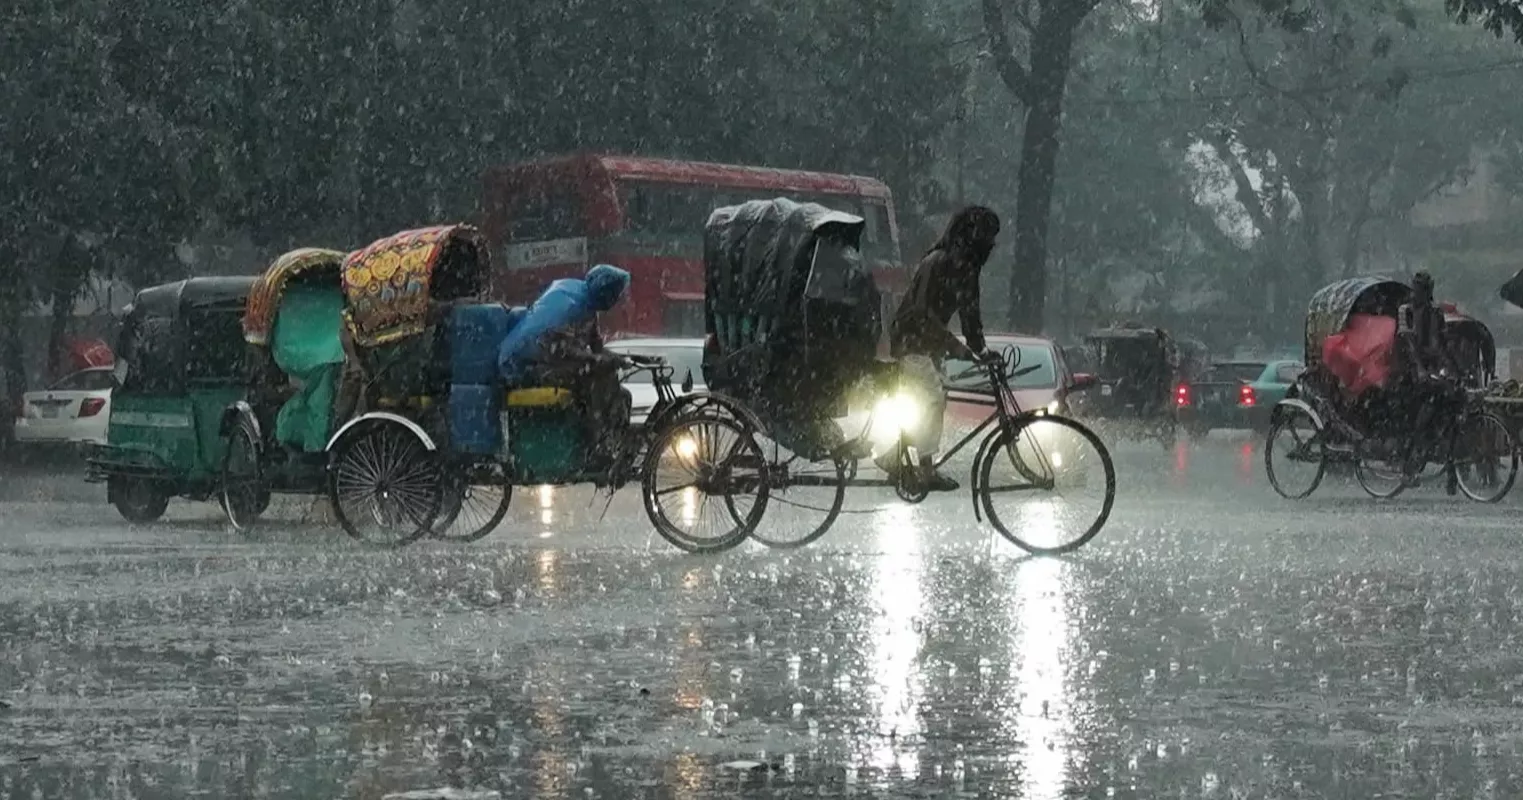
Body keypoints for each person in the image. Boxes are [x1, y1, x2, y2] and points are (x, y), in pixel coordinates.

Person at [878, 206, 1001, 491]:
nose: (992, 244)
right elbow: (921, 314)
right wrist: (954, 347)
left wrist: (980, 350)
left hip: (929, 344)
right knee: (932, 398)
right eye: (989, 236)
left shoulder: (968, 269)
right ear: (973, 235)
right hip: (911, 341)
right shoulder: (937, 262)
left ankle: (892, 456)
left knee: (932, 403)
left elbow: (971, 316)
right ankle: (925, 469)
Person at [498, 264, 634, 465]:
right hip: (524, 366)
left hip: (548, 362)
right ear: (605, 292)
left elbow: (597, 348)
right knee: (591, 381)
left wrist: (621, 359)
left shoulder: (589, 307)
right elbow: (557, 347)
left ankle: (609, 443)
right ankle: (595, 445)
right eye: (615, 294)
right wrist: (593, 360)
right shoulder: (572, 305)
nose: (616, 301)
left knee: (621, 394)